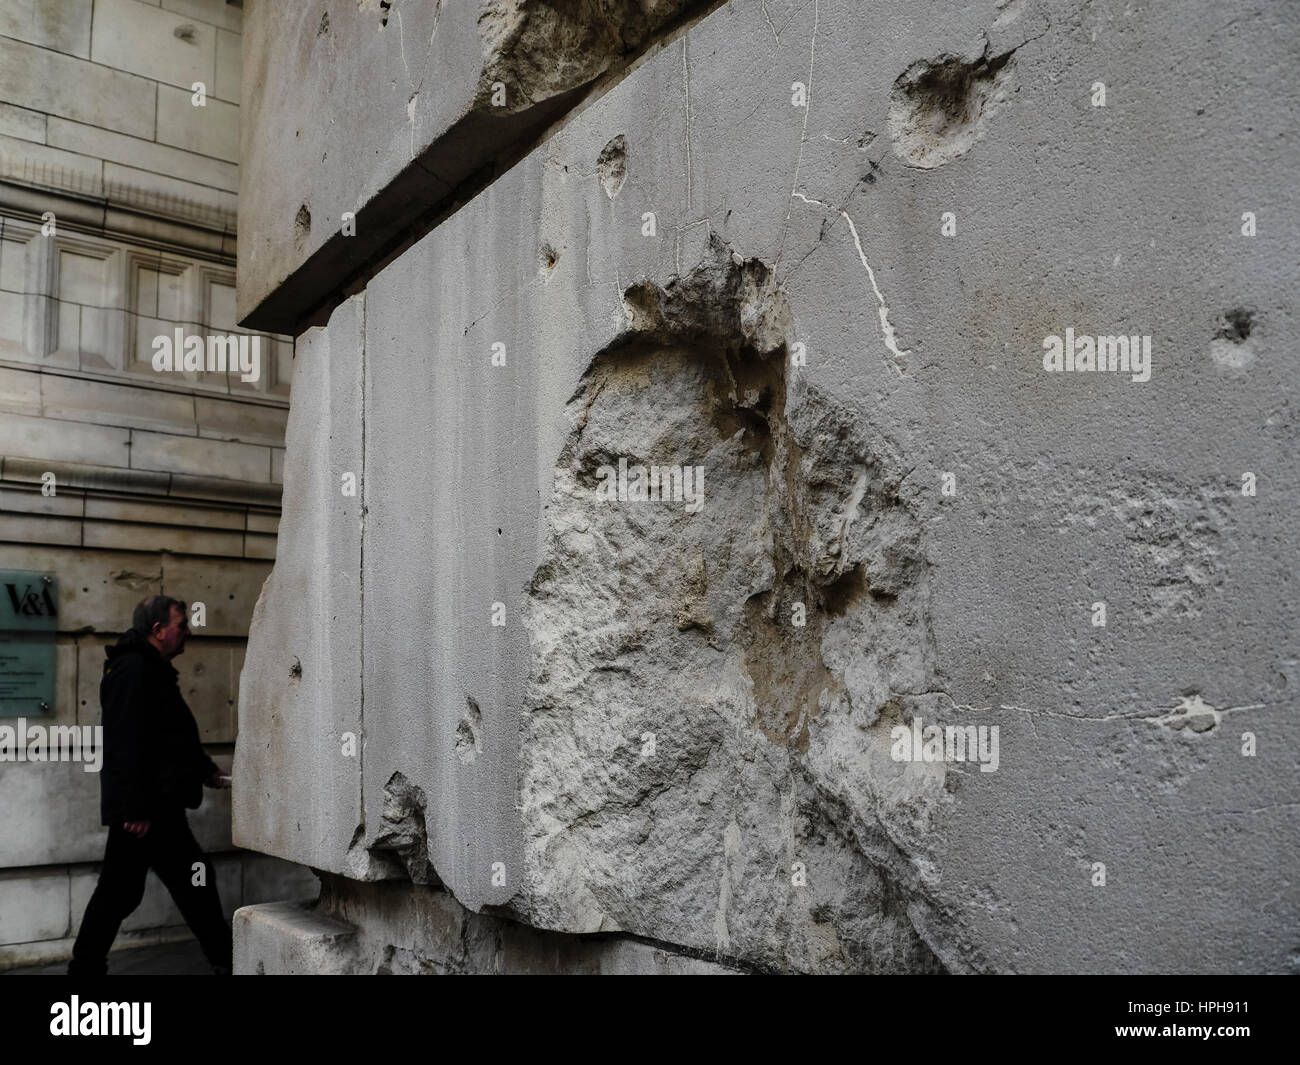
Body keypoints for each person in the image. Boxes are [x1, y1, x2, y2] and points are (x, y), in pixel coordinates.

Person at [68, 595, 234, 976]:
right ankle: (225, 960)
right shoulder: (134, 672)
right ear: (158, 631)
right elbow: (125, 743)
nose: (188, 632)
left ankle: (224, 959)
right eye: (181, 625)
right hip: (147, 813)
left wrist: (205, 770)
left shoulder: (150, 670)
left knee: (144, 888)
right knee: (145, 888)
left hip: (157, 809)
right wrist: (134, 809)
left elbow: (170, 737)